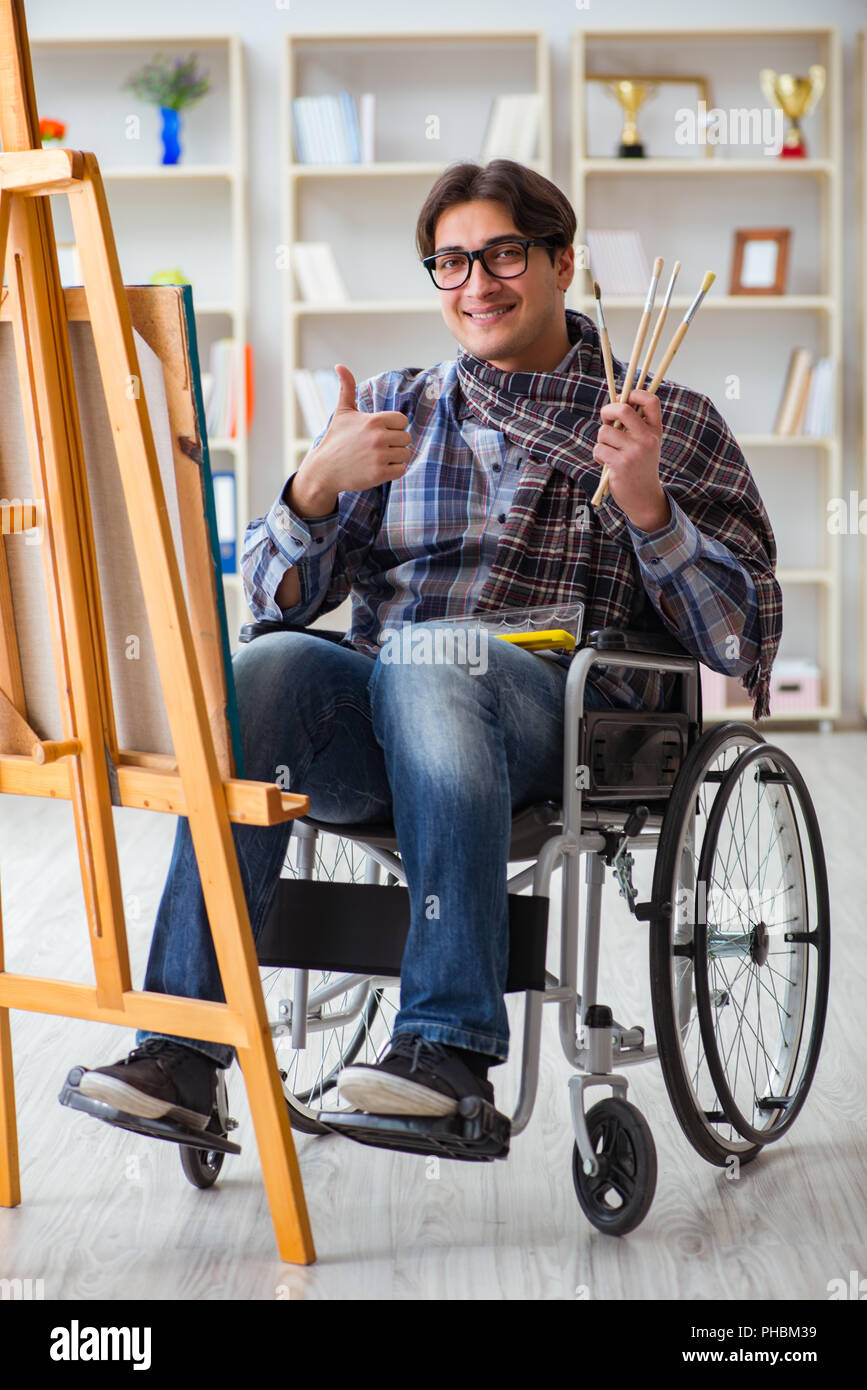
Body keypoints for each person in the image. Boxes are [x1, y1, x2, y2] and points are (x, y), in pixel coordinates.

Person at [71, 159, 781, 1130]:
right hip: (385, 724)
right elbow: (275, 602)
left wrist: (653, 509)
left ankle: (446, 1051)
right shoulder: (396, 410)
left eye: (503, 256)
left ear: (563, 261)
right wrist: (311, 490)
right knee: (261, 670)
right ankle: (181, 1052)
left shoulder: (667, 418)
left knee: (431, 658)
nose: (477, 285)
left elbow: (742, 637)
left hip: (553, 727)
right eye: (450, 264)